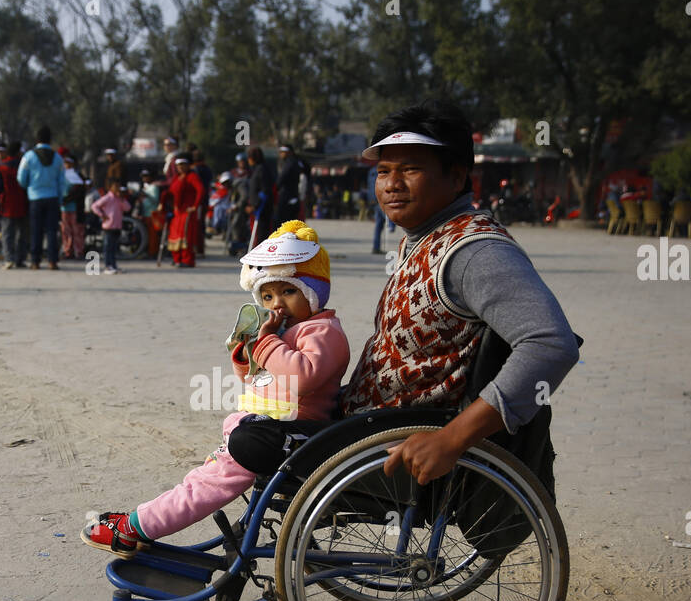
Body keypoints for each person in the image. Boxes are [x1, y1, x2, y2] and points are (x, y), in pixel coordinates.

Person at [228, 99, 579, 490]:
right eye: (383, 171)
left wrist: (454, 438)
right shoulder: (423, 239)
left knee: (251, 440)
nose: (392, 183)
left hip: (394, 445)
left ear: (457, 175)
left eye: (410, 169)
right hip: (364, 420)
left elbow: (550, 345)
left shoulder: (476, 252)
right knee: (250, 421)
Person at [83, 220, 350, 554]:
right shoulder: (286, 331)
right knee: (203, 478)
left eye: (289, 291)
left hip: (289, 434)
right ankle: (146, 524)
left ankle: (138, 526)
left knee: (205, 484)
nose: (277, 304)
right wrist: (246, 355)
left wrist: (266, 345)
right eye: (267, 295)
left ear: (314, 292)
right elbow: (258, 379)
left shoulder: (323, 333)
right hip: (263, 426)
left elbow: (303, 376)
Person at [17, 125, 67, 270]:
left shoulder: (29, 156)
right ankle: (52, 261)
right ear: (50, 140)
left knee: (36, 230)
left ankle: (35, 261)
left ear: (37, 139)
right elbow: (62, 181)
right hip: (52, 197)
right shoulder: (58, 158)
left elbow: (21, 178)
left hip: (35, 198)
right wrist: (60, 198)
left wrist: (29, 187)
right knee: (52, 230)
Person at [164, 153, 204, 268]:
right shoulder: (176, 178)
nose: (180, 167)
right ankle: (177, 259)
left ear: (188, 165)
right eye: (178, 165)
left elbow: (200, 190)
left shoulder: (192, 176)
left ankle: (188, 260)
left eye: (183, 164)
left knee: (186, 236)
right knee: (174, 235)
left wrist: (195, 206)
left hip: (187, 211)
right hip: (177, 212)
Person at [0, 144, 29, 268]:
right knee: (23, 234)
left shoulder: (2, 167)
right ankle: (20, 259)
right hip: (23, 203)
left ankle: (9, 259)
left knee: (7, 234)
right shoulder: (24, 166)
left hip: (7, 205)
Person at [90, 179, 131, 275]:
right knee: (108, 247)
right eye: (115, 186)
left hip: (117, 226)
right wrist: (102, 215)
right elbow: (94, 206)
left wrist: (122, 199)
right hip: (108, 225)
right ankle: (107, 266)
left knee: (114, 247)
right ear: (110, 188)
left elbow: (127, 208)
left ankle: (114, 265)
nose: (117, 188)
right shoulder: (108, 198)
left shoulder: (119, 199)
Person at [245, 146, 274, 244]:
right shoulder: (256, 169)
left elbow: (264, 191)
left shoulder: (262, 170)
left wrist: (255, 206)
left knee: (262, 236)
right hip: (257, 209)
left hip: (262, 210)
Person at [275, 145, 304, 225]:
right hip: (292, 195)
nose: (281, 154)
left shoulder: (290, 163)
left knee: (284, 221)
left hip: (287, 197)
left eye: (282, 152)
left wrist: (275, 188)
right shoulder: (294, 162)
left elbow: (282, 178)